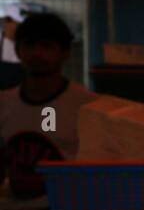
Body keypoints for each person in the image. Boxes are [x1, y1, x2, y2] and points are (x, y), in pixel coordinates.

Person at [0, 12, 96, 193]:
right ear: (18, 50)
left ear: (65, 53)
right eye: (30, 45)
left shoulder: (87, 107)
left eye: (47, 46)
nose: (37, 53)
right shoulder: (3, 103)